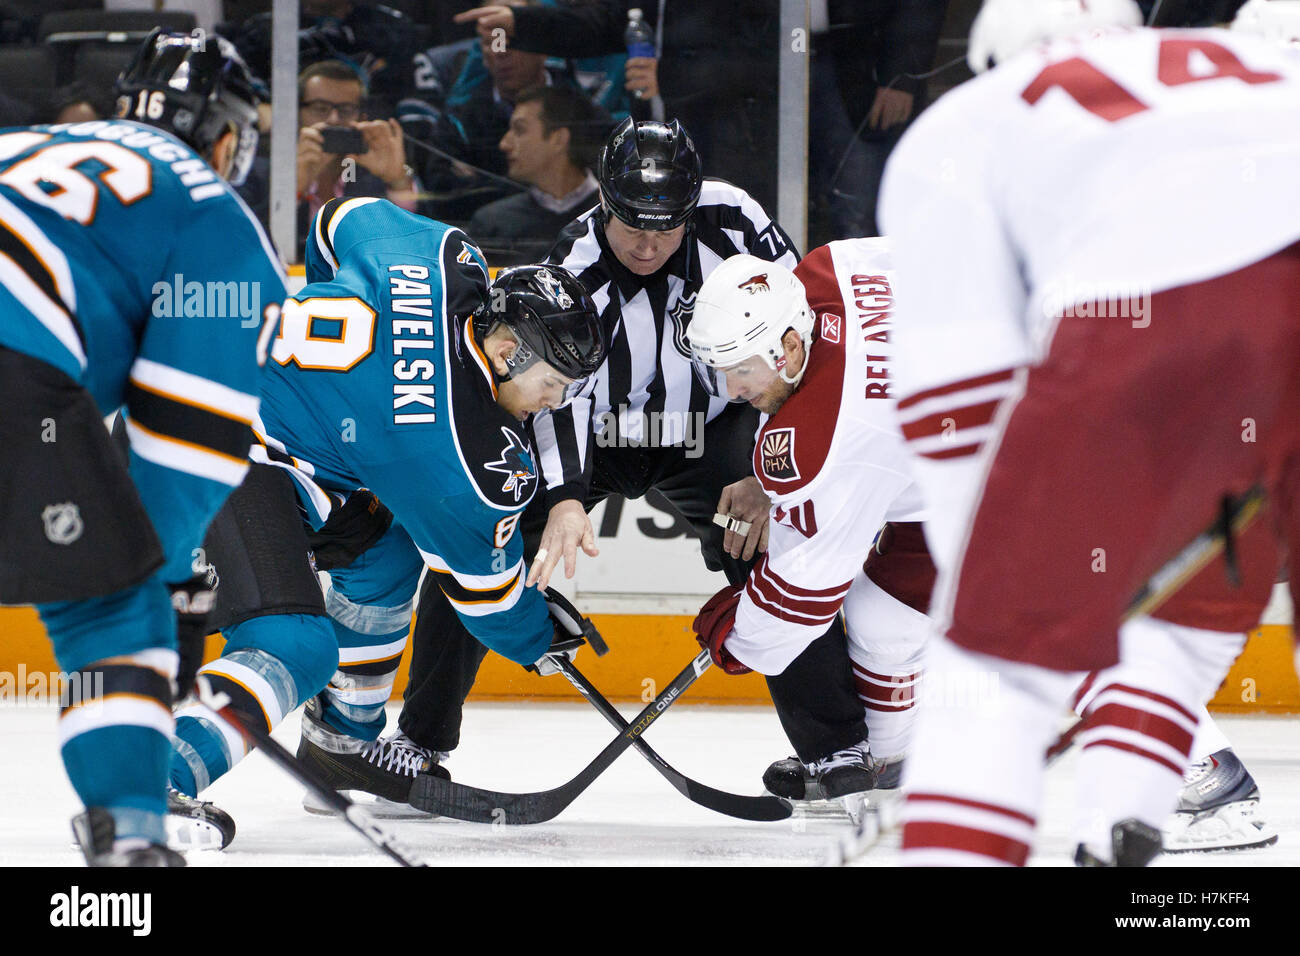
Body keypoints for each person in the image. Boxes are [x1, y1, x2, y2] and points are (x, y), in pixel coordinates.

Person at [316, 117, 879, 808]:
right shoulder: (572, 264)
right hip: (597, 432)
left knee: (774, 543)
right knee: (484, 538)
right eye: (631, 224)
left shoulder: (734, 221)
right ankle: (423, 741)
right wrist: (562, 499)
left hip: (714, 423)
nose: (647, 244)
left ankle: (837, 746)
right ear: (603, 204)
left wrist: (768, 472)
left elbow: (793, 341)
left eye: (666, 227)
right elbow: (555, 396)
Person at [879, 0, 1300, 865]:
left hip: (1167, 321)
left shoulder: (969, 126)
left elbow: (958, 413)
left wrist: (1004, 602)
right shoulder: (1247, 68)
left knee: (996, 669)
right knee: (1184, 625)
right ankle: (1115, 837)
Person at [165, 198, 608, 823]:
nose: (553, 404)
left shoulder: (442, 257)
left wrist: (344, 378)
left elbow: (337, 219)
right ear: (508, 348)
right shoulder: (465, 455)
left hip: (212, 394)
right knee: (294, 644)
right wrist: (540, 639)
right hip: (205, 445)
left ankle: (339, 744)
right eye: (553, 385)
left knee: (387, 551)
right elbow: (488, 602)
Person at [0, 30, 283, 866]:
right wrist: (166, 589)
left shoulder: (26, 141)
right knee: (109, 607)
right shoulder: (212, 215)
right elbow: (185, 453)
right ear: (227, 138)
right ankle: (129, 839)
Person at [686, 243, 934, 808]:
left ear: (790, 345)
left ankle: (1176, 761)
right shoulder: (822, 274)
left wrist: (740, 638)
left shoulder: (824, 438)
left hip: (1031, 464)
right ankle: (889, 761)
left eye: (741, 370)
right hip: (965, 448)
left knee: (1056, 624)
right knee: (887, 617)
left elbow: (808, 591)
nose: (731, 390)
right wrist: (767, 483)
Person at [467, 84, 607, 265]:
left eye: (519, 129)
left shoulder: (613, 220)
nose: (504, 143)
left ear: (558, 139)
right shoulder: (490, 224)